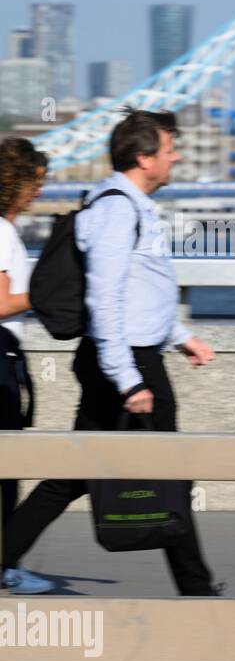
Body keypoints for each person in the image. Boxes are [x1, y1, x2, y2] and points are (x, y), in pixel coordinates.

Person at [1, 109, 222, 596]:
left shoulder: (132, 205)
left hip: (133, 356)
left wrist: (182, 335)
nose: (176, 156)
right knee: (169, 471)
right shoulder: (116, 210)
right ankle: (197, 590)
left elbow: (143, 291)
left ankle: (3, 554)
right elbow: (105, 298)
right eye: (168, 149)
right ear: (144, 158)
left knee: (73, 475)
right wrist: (129, 379)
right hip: (126, 362)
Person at [0, 139, 50, 594]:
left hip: (6, 357)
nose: (39, 191)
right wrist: (47, 294)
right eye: (35, 182)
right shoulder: (0, 231)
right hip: (0, 360)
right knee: (6, 469)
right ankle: (5, 567)